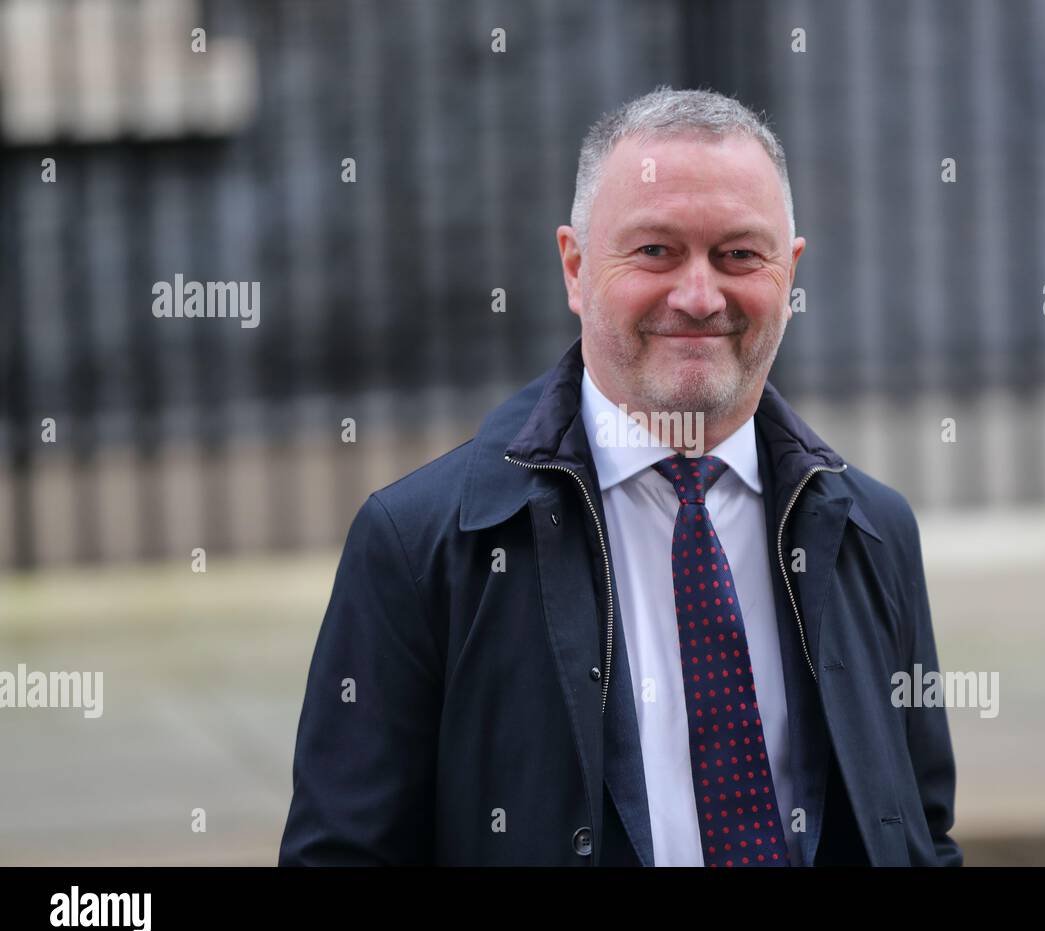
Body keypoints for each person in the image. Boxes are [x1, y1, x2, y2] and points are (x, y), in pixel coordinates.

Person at [279, 85, 961, 867]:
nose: (700, 296)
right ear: (575, 267)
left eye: (739, 253)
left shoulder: (872, 531)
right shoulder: (422, 545)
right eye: (655, 252)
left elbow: (922, 831)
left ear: (790, 272)